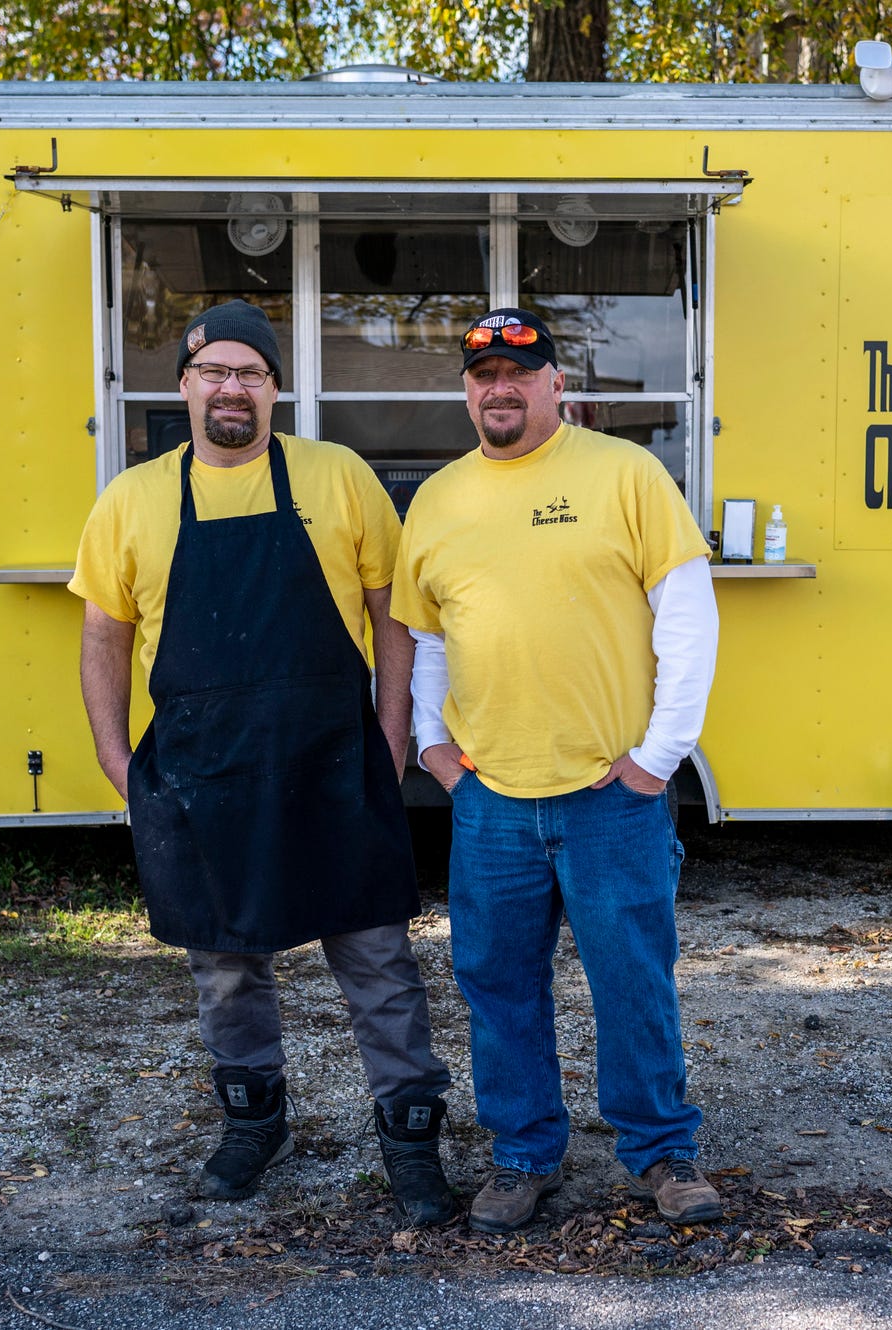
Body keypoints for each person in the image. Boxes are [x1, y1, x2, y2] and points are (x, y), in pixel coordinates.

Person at [71, 299, 455, 1227]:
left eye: (251, 373)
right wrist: (117, 758)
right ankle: (254, 1123)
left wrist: (393, 731)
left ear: (276, 388)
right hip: (203, 777)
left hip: (332, 760)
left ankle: (410, 1142)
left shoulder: (340, 475)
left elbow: (392, 615)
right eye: (214, 372)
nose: (231, 389)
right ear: (185, 385)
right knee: (226, 965)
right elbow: (102, 635)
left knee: (376, 959)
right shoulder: (131, 500)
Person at [391, 308, 721, 1233]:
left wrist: (660, 758)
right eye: (483, 373)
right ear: (467, 390)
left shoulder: (626, 476)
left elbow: (687, 619)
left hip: (608, 794)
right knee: (496, 985)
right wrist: (433, 748)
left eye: (520, 372)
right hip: (491, 798)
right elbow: (427, 638)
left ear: (555, 385)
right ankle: (524, 1155)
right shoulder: (440, 499)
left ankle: (658, 1153)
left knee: (632, 979)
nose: (501, 387)